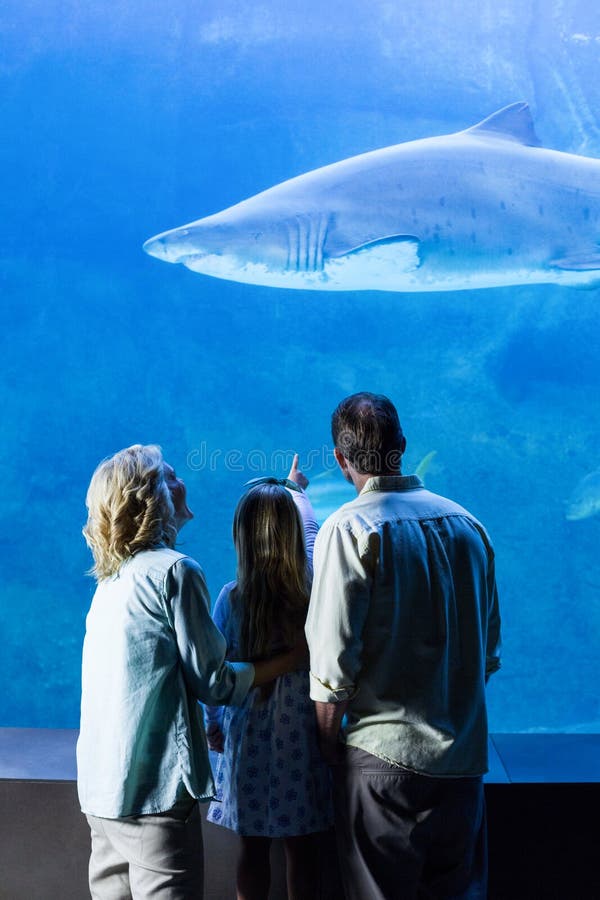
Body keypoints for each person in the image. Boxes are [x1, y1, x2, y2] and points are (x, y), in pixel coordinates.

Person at [77, 444, 305, 900]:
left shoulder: (111, 579)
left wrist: (293, 494)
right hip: (153, 797)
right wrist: (287, 660)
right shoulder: (175, 571)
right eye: (171, 476)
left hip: (102, 793)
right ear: (151, 497)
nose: (183, 483)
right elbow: (214, 683)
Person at [305, 393, 501, 900]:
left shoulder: (348, 528)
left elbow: (333, 663)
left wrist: (329, 745)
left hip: (382, 762)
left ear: (339, 459)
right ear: (402, 446)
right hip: (462, 764)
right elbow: (487, 655)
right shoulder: (469, 526)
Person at [205, 455, 333, 900]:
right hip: (302, 740)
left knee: (252, 850)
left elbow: (214, 673)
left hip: (248, 743)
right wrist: (298, 493)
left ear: (241, 536)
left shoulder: (232, 598)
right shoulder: (314, 591)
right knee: (304, 851)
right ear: (293, 535)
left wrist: (212, 724)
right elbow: (313, 542)